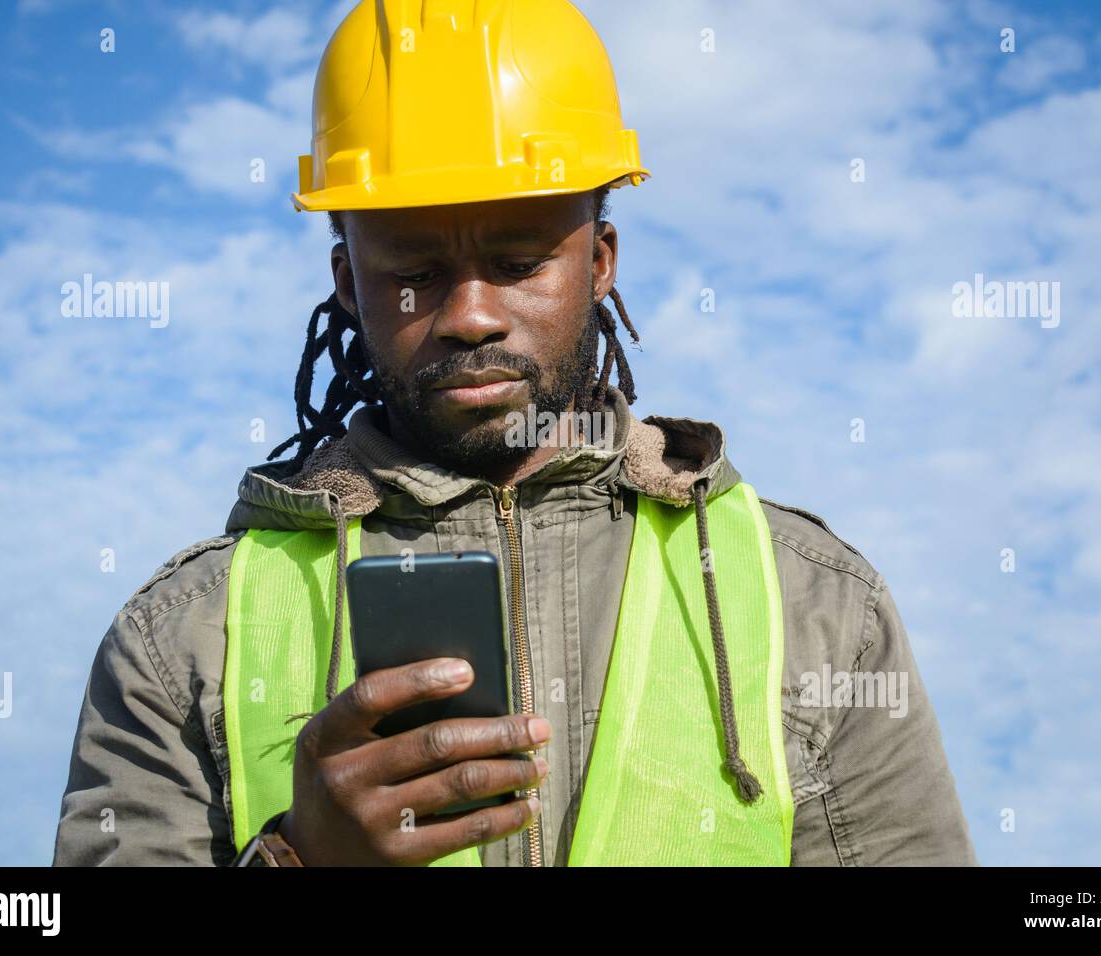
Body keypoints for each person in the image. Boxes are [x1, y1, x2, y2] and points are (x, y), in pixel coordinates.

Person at [53, 0, 977, 867]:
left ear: (600, 260)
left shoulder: (816, 606)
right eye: (415, 269)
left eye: (517, 262)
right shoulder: (181, 641)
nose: (470, 315)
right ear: (347, 280)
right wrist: (300, 859)